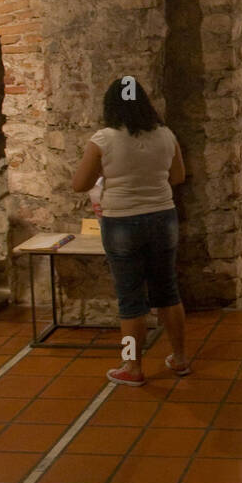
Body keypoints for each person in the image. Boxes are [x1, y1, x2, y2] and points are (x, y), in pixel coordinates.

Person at [71, 77, 189, 386]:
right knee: (168, 290)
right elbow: (178, 176)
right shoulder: (165, 135)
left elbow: (80, 184)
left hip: (122, 221)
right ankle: (179, 358)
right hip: (163, 217)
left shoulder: (103, 139)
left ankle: (133, 367)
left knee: (130, 298)